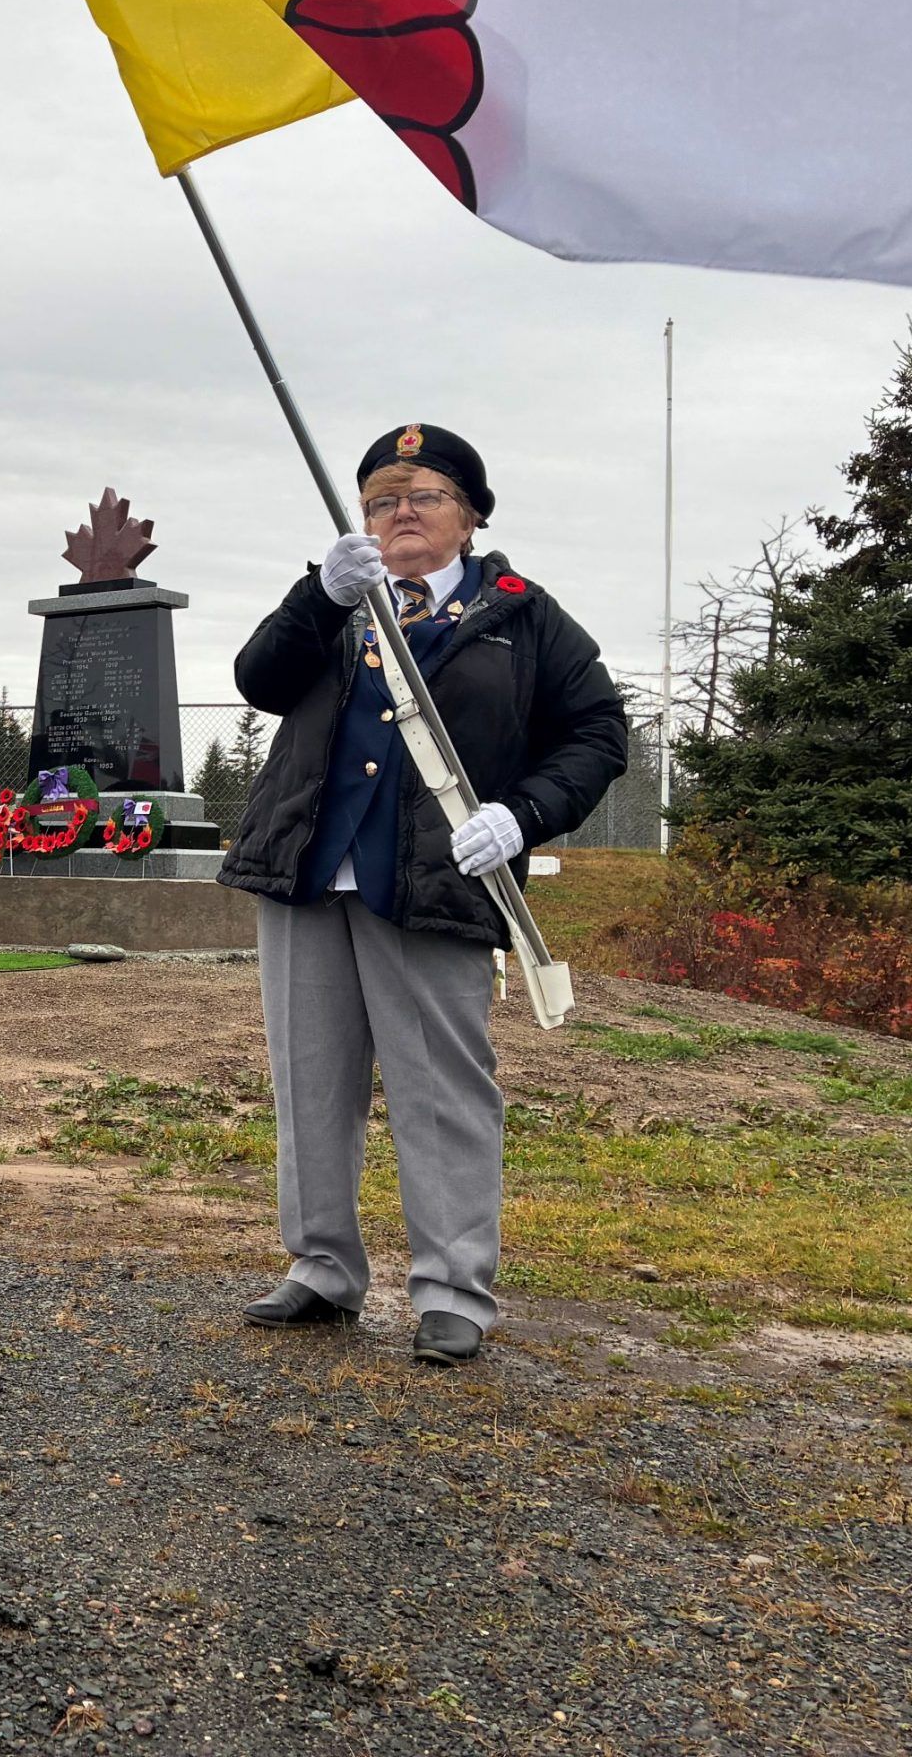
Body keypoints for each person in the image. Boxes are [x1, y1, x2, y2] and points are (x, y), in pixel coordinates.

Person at [218, 424, 627, 1365]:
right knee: (310, 1082)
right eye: (381, 501)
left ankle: (452, 1290)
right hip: (310, 871)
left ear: (470, 516)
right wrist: (316, 597)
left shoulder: (524, 618)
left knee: (441, 1089)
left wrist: (524, 814)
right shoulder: (338, 599)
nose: (401, 513)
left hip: (435, 878)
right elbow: (260, 681)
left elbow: (598, 733)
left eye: (424, 496)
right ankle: (322, 1266)